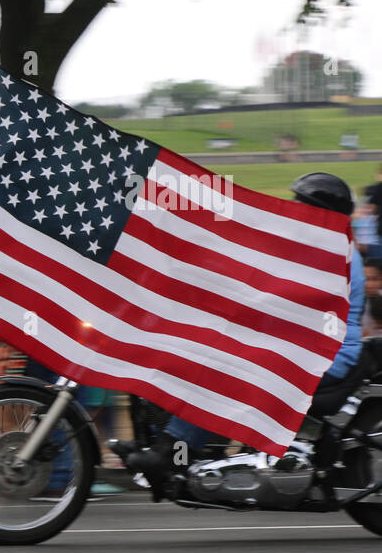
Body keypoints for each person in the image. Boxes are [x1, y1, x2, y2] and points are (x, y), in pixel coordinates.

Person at [127, 172, 366, 479]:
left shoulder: (337, 256)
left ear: (322, 214)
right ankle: (180, 449)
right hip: (305, 345)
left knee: (225, 367)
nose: (293, 210)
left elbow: (285, 297)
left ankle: (171, 456)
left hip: (328, 356)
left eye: (302, 205)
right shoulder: (312, 249)